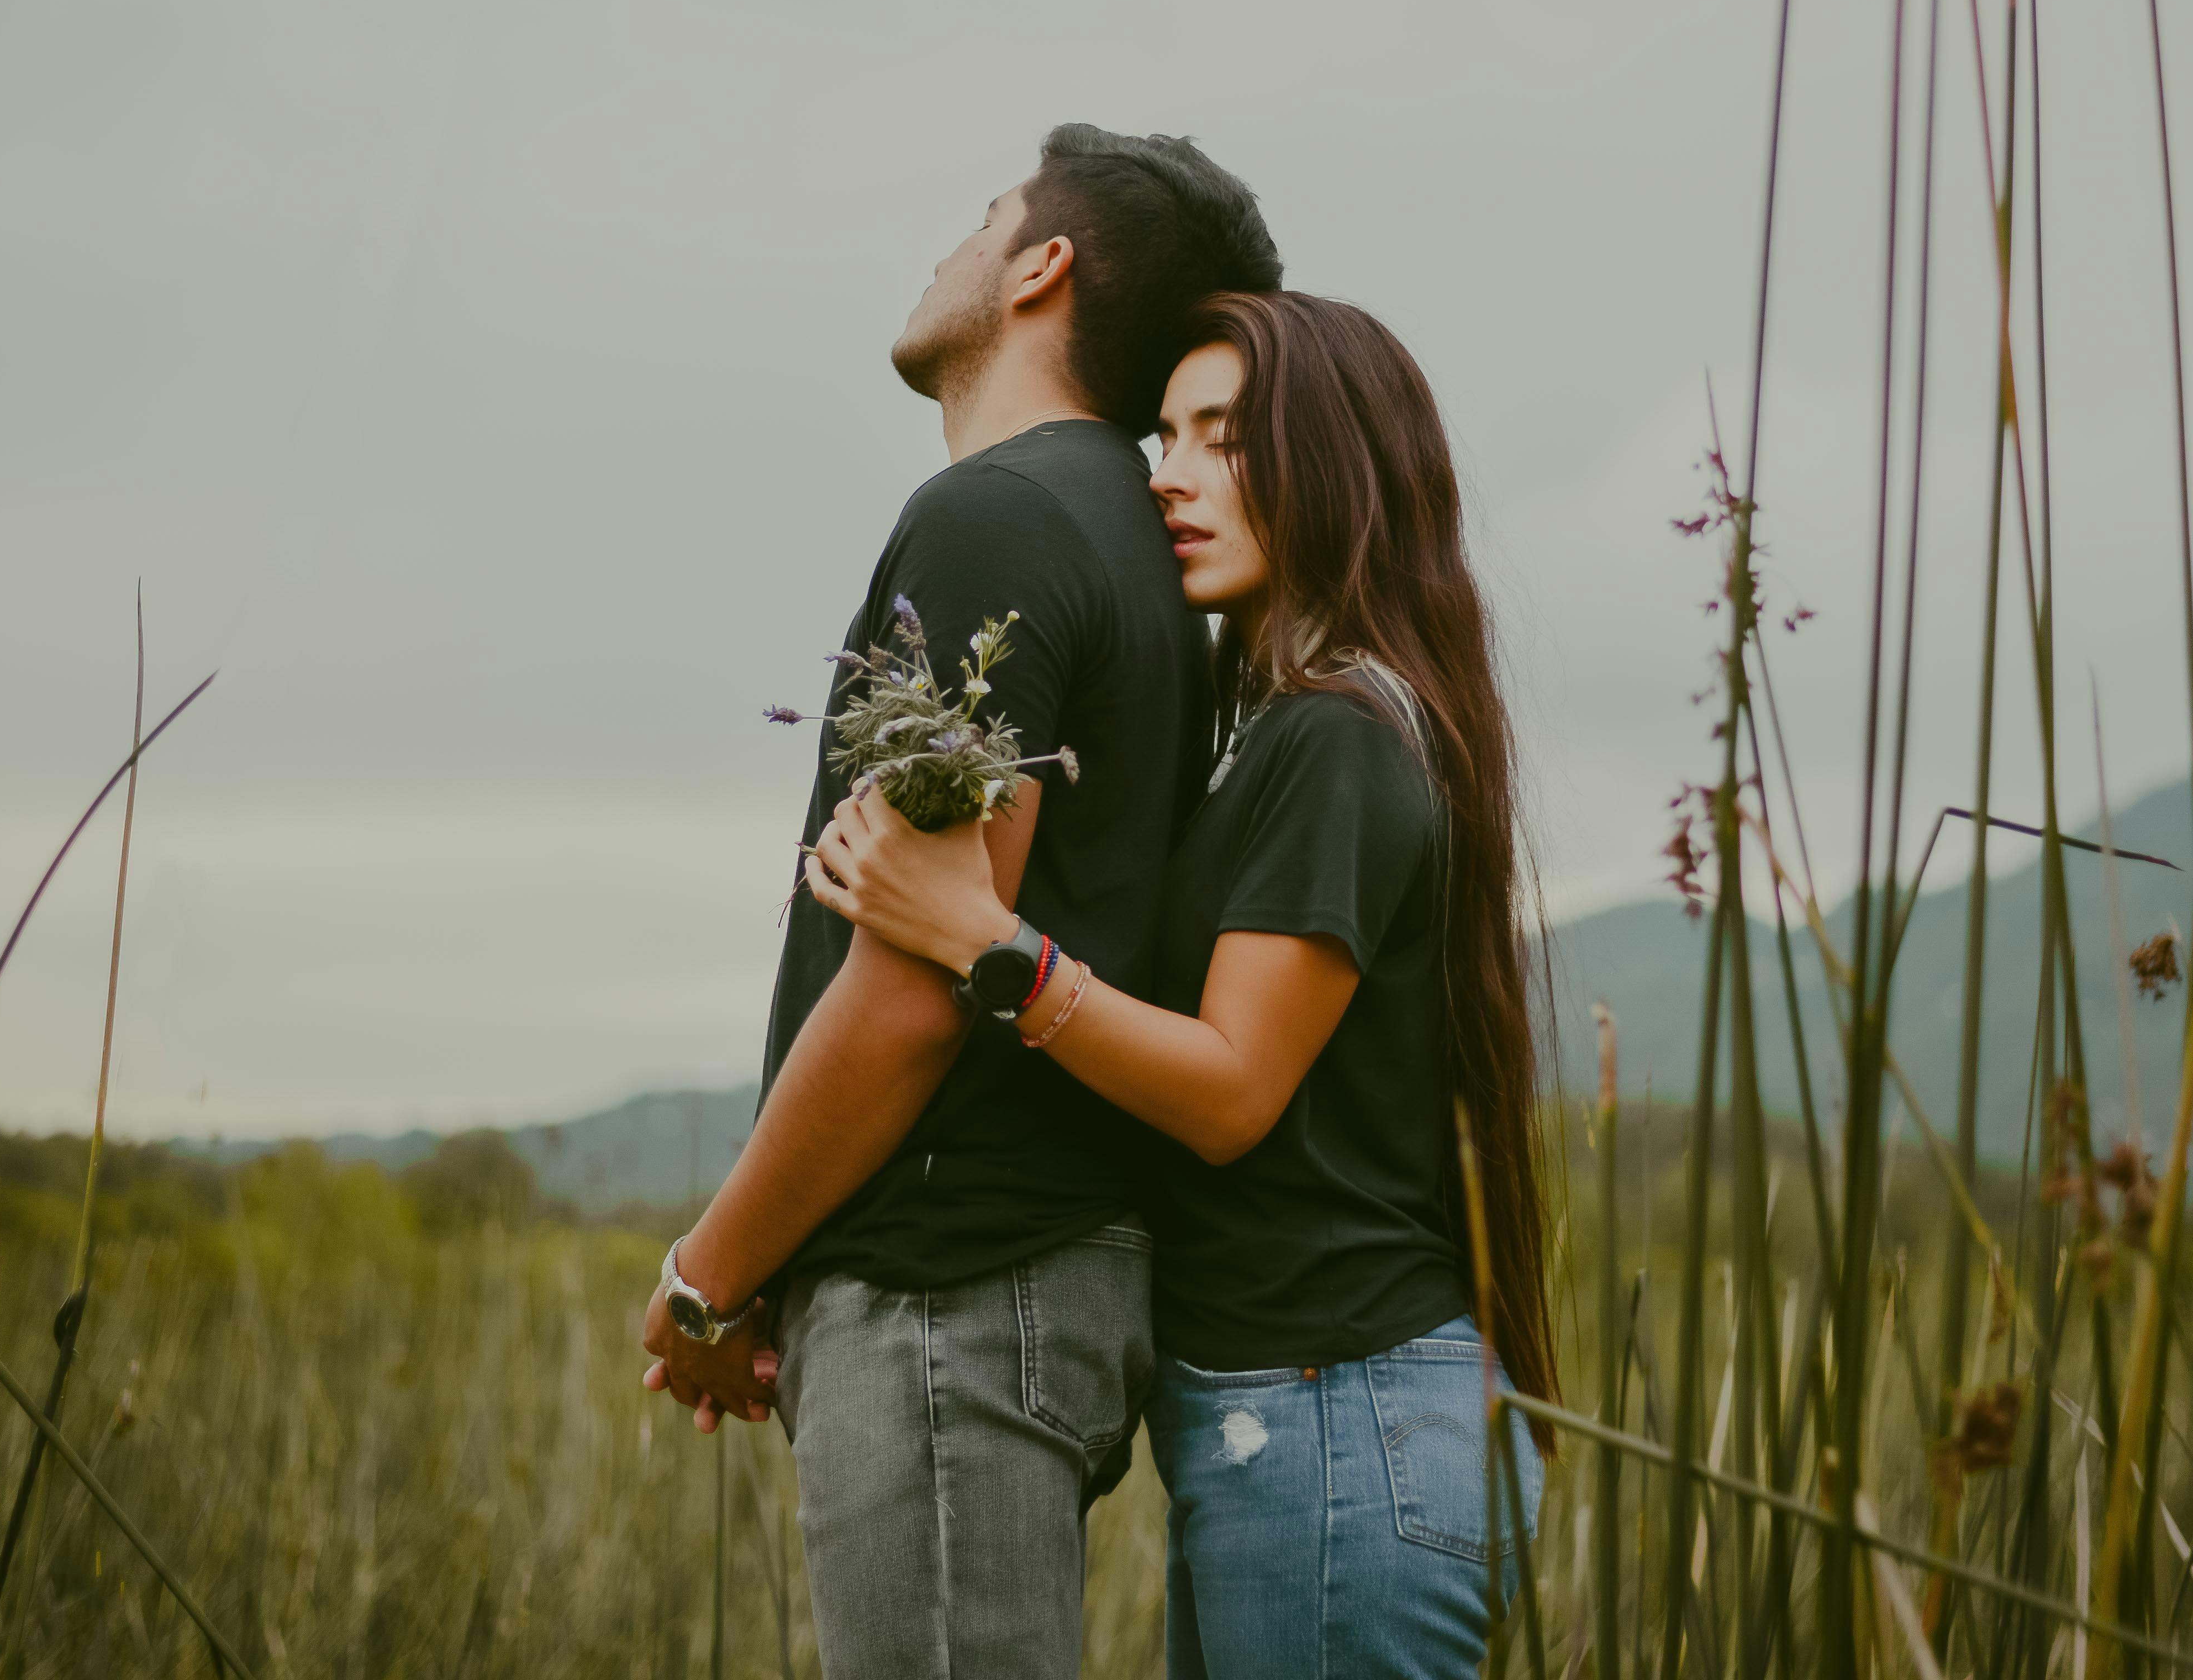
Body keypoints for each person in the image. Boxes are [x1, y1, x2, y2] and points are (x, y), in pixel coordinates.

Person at [805, 288, 1560, 1679]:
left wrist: (987, 942)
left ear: (1343, 464)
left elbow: (1228, 1091)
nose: (1169, 474)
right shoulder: (1287, 727)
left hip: (1339, 1417)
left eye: (1224, 437)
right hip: (1307, 1423)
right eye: (1166, 436)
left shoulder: (1338, 735)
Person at [639, 125, 1282, 1679]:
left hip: (952, 1297)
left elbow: (923, 976)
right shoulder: (1135, 548)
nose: (951, 247)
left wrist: (708, 1277)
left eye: (982, 214)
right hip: (1012, 1292)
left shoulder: (997, 518)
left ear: (1040, 266)